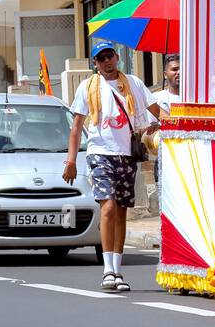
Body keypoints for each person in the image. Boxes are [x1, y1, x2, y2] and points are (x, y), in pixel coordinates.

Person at [64, 41, 160, 293]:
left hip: (127, 154)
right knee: (107, 207)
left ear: (117, 58)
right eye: (101, 58)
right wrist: (71, 161)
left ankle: (117, 269)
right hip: (100, 154)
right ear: (95, 64)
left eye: (110, 56)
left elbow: (156, 111)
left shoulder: (134, 84)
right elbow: (76, 128)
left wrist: (173, 124)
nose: (106, 61)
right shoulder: (87, 87)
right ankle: (107, 270)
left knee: (120, 212)